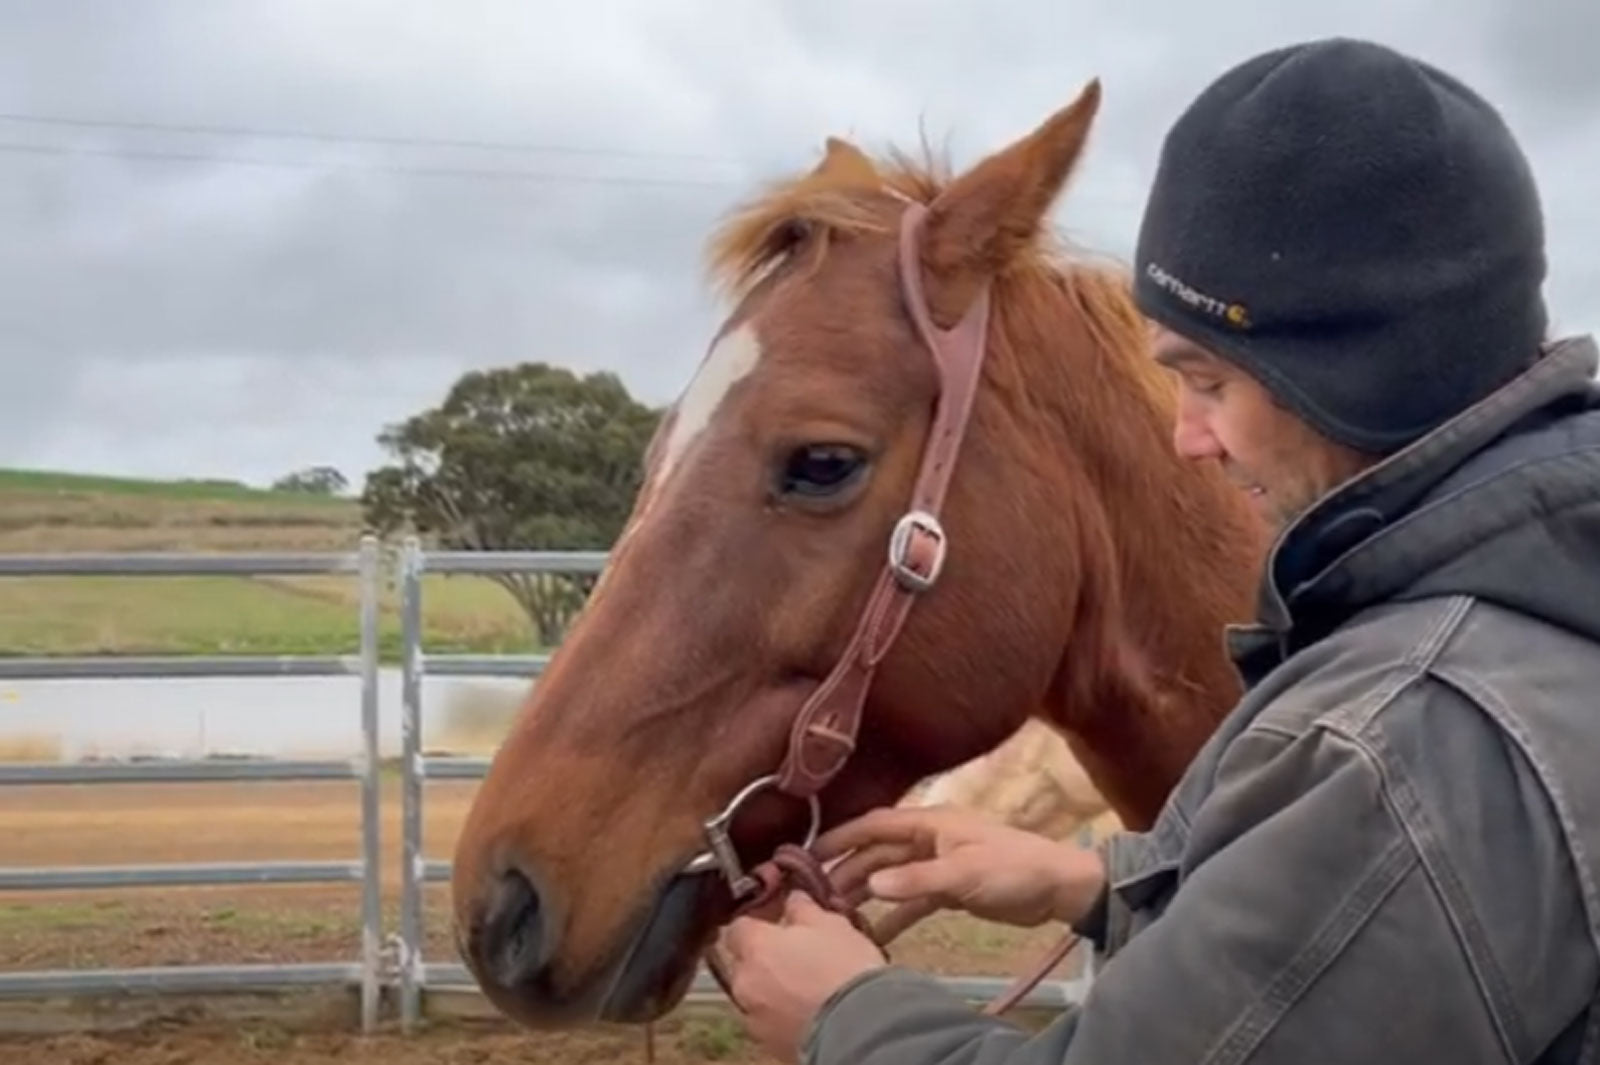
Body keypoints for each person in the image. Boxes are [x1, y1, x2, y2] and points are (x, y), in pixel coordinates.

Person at [715, 36, 1600, 1065]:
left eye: (1210, 382)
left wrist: (848, 1021)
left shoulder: (1409, 729)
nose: (1186, 435)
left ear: (1357, 374)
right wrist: (1100, 891)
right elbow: (1385, 952)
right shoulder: (1520, 619)